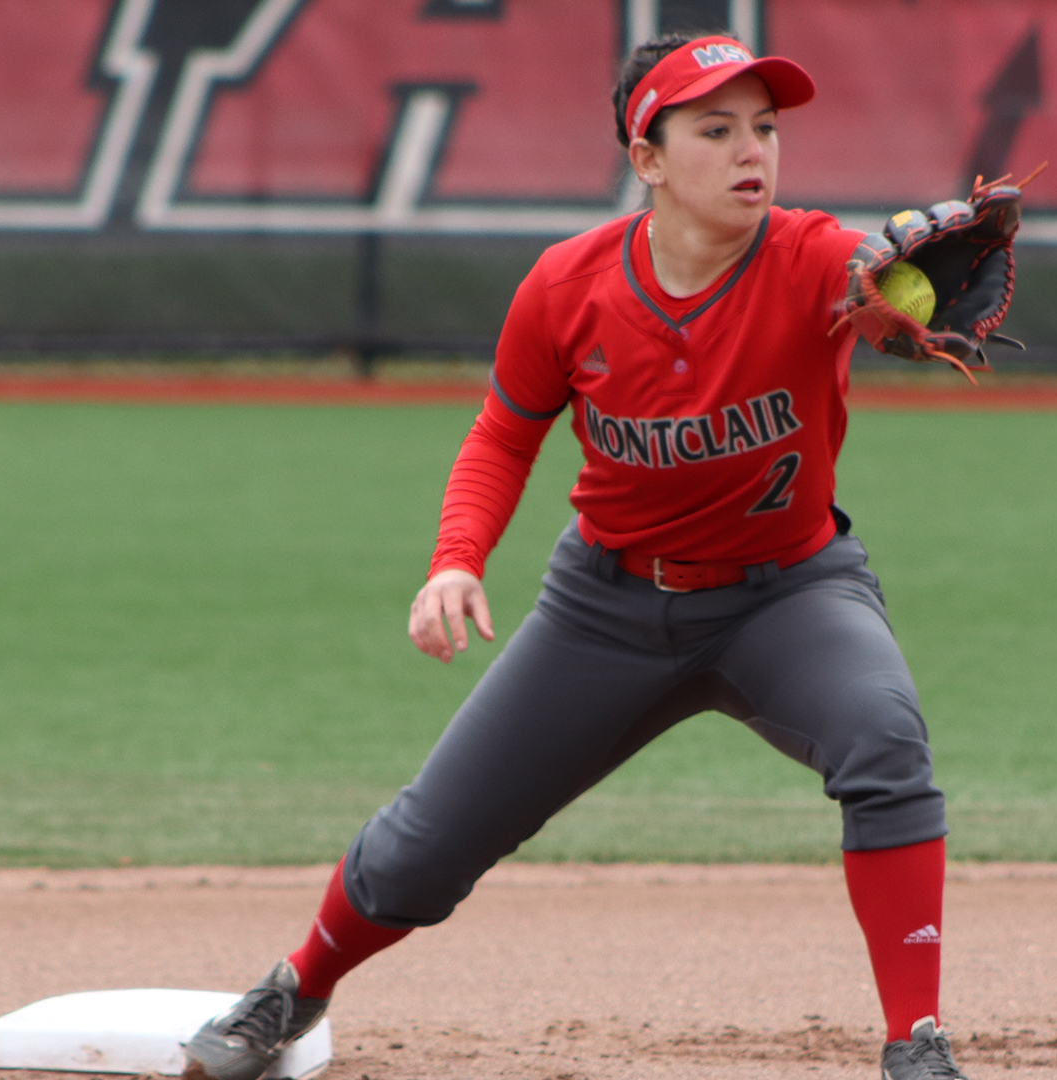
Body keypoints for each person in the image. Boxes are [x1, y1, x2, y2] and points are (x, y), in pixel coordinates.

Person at [184, 33, 976, 1080]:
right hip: (604, 608)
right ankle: (296, 987)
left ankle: (914, 1041)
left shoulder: (815, 258)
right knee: (428, 845)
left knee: (885, 743)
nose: (753, 151)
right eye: (715, 129)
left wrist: (904, 304)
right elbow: (504, 433)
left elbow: (877, 294)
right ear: (647, 158)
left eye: (766, 128)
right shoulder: (568, 287)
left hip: (789, 597)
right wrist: (455, 559)